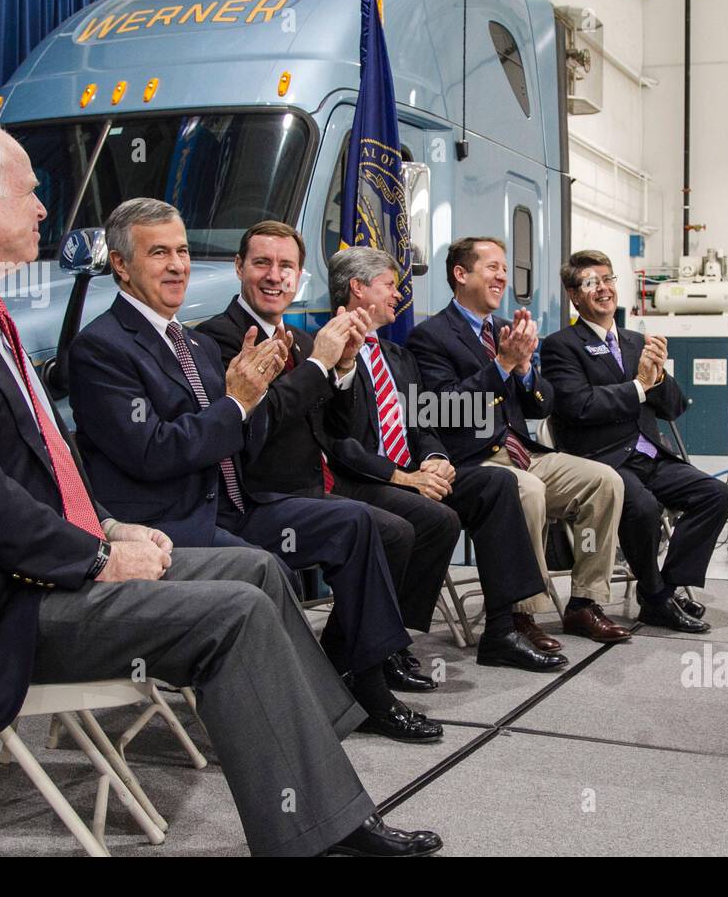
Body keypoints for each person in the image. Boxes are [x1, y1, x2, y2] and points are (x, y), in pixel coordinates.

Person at [0, 122, 440, 856]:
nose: (42, 210)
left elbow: (42, 468)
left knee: (254, 567)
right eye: (30, 192)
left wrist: (110, 528)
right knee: (241, 610)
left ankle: (317, 774)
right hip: (3, 607)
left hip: (47, 570)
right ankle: (322, 828)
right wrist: (93, 558)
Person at [67, 200, 442, 742]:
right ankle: (338, 701)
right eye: (159, 253)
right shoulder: (102, 347)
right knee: (277, 566)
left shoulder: (191, 342)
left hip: (237, 500)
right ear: (121, 266)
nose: (176, 265)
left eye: (182, 252)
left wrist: (270, 396)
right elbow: (153, 453)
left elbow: (248, 436)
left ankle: (358, 675)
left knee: (361, 527)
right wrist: (245, 400)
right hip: (173, 521)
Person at [195, 223, 437, 691]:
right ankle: (363, 673)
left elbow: (339, 428)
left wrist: (343, 369)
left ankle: (356, 655)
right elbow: (257, 422)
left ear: (300, 276)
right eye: (262, 263)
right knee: (375, 528)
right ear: (239, 267)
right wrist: (321, 366)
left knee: (411, 527)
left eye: (286, 266)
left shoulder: (306, 341)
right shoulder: (218, 339)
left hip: (317, 483)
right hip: (261, 493)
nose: (274, 276)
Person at [322, 246, 555, 668]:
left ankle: (502, 629)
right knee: (436, 517)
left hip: (413, 473)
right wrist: (403, 477)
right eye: (390, 286)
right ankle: (389, 640)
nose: (399, 295)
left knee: (497, 484)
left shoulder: (398, 356)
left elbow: (424, 422)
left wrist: (433, 458)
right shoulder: (326, 352)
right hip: (366, 479)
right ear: (358, 288)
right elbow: (339, 444)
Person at [408, 237, 629, 661]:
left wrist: (526, 370)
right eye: (492, 267)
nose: (503, 277)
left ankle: (584, 602)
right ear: (461, 274)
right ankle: (520, 614)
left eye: (505, 269)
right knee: (525, 489)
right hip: (473, 460)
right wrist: (503, 365)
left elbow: (542, 404)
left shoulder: (505, 330)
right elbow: (443, 410)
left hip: (523, 450)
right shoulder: (430, 337)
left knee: (604, 480)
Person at [541, 251, 728, 634]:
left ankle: (666, 586)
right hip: (602, 462)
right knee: (643, 508)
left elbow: (675, 407)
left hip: (649, 454)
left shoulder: (636, 341)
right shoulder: (562, 346)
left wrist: (659, 378)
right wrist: (638, 387)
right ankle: (657, 598)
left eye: (608, 279)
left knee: (716, 494)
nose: (604, 288)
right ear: (573, 295)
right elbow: (580, 406)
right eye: (592, 282)